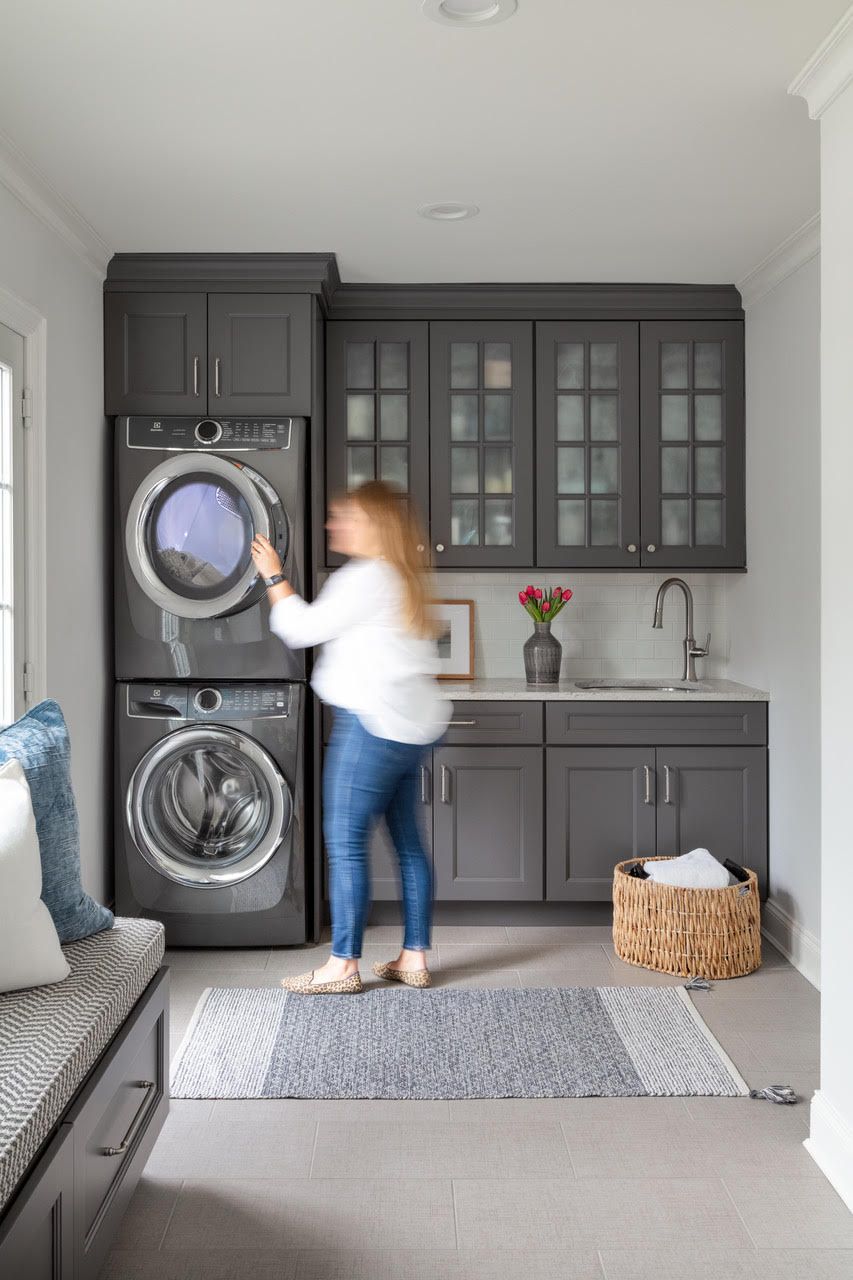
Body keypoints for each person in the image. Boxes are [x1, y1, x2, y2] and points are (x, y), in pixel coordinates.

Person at [251, 481, 448, 994]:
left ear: (375, 525)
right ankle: (414, 956)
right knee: (408, 844)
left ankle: (342, 965)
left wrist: (273, 574)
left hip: (371, 727)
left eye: (347, 516)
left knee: (344, 843)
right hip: (412, 729)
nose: (332, 524)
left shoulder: (364, 578)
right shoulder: (406, 579)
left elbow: (300, 628)